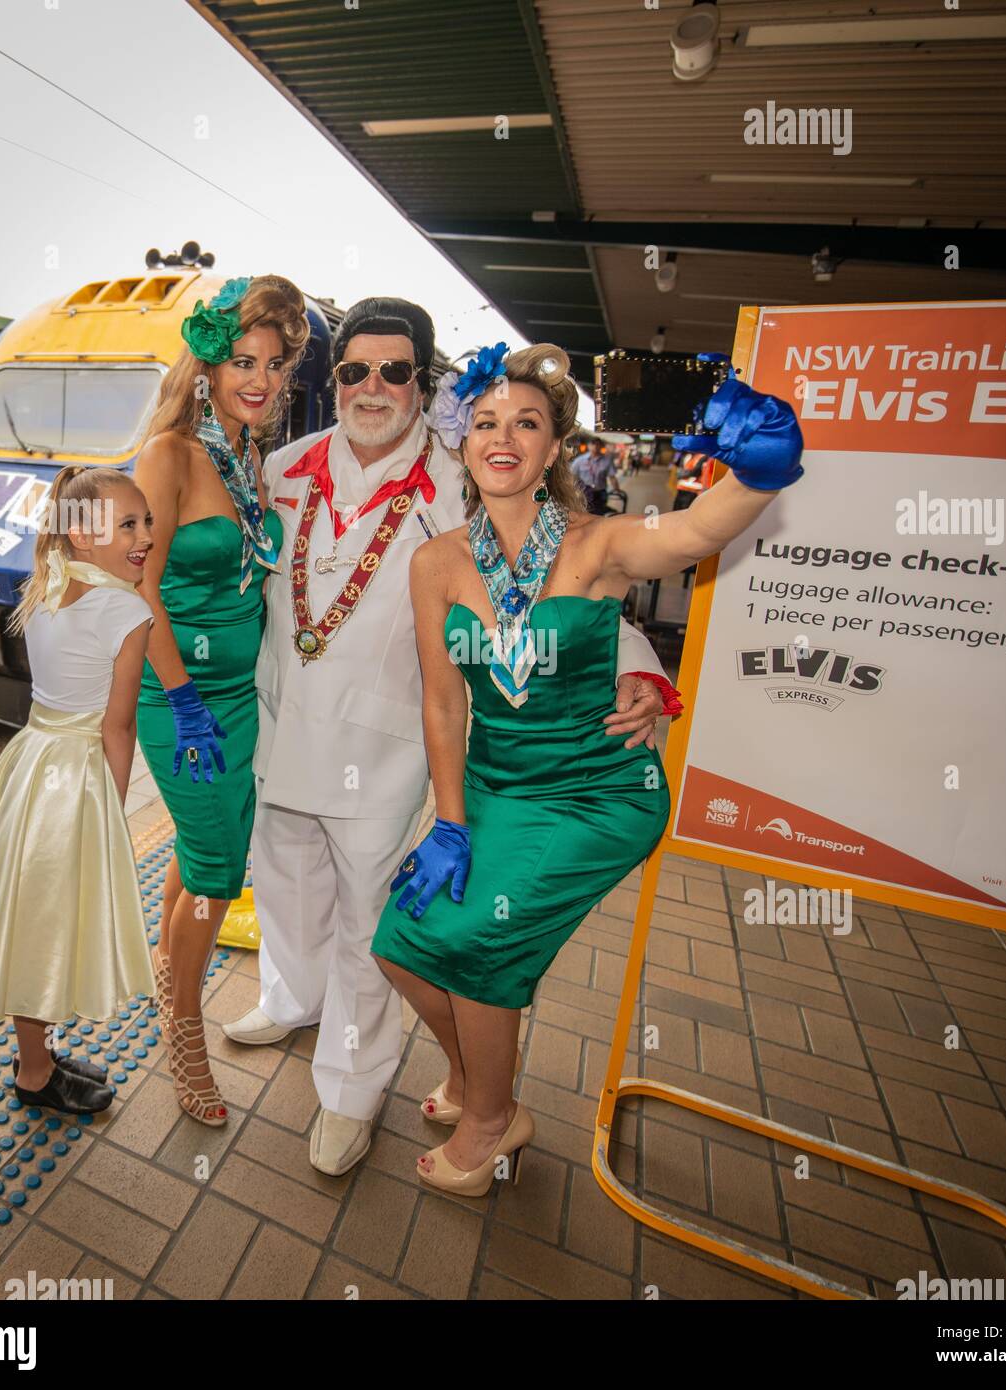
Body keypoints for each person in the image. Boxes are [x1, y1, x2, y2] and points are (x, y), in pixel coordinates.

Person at [224, 299, 676, 1176]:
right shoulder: (280, 468)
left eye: (397, 371)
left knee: (369, 924)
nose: (373, 388)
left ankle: (351, 1091)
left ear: (424, 384)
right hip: (284, 727)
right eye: (354, 371)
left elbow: (563, 581)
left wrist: (636, 665)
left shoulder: (466, 475)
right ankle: (291, 995)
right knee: (285, 883)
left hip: (390, 745)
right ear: (336, 378)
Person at [371, 343, 804, 1195]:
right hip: (494, 791)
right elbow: (443, 704)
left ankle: (496, 1119)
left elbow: (691, 532)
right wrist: (450, 822)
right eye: (486, 422)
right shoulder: (436, 563)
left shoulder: (599, 543)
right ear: (461, 442)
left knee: (474, 945)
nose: (504, 437)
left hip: (596, 793)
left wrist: (757, 473)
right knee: (399, 947)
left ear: (554, 447)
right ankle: (474, 1079)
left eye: (526, 423)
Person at [0, 465, 156, 1114]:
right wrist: (111, 810)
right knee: (49, 925)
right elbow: (119, 725)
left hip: (30, 765)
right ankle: (33, 1074)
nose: (144, 538)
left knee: (32, 919)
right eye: (128, 525)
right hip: (77, 781)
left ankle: (38, 1053)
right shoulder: (129, 610)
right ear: (83, 537)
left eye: (147, 523)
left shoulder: (48, 581)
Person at [132, 274, 308, 1126]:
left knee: (207, 848)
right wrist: (183, 699)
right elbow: (142, 590)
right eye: (243, 359)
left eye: (276, 365)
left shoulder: (247, 459)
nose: (261, 380)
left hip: (239, 699)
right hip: (182, 700)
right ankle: (186, 1034)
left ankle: (170, 967)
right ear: (206, 364)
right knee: (214, 867)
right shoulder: (170, 455)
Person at [571, 437, 617, 514]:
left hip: (600, 493)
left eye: (598, 444)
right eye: (593, 444)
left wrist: (617, 489)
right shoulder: (579, 460)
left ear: (601, 446)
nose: (595, 446)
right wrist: (572, 491)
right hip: (584, 493)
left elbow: (612, 477)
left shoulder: (607, 460)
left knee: (599, 514)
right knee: (584, 513)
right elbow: (573, 477)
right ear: (588, 446)